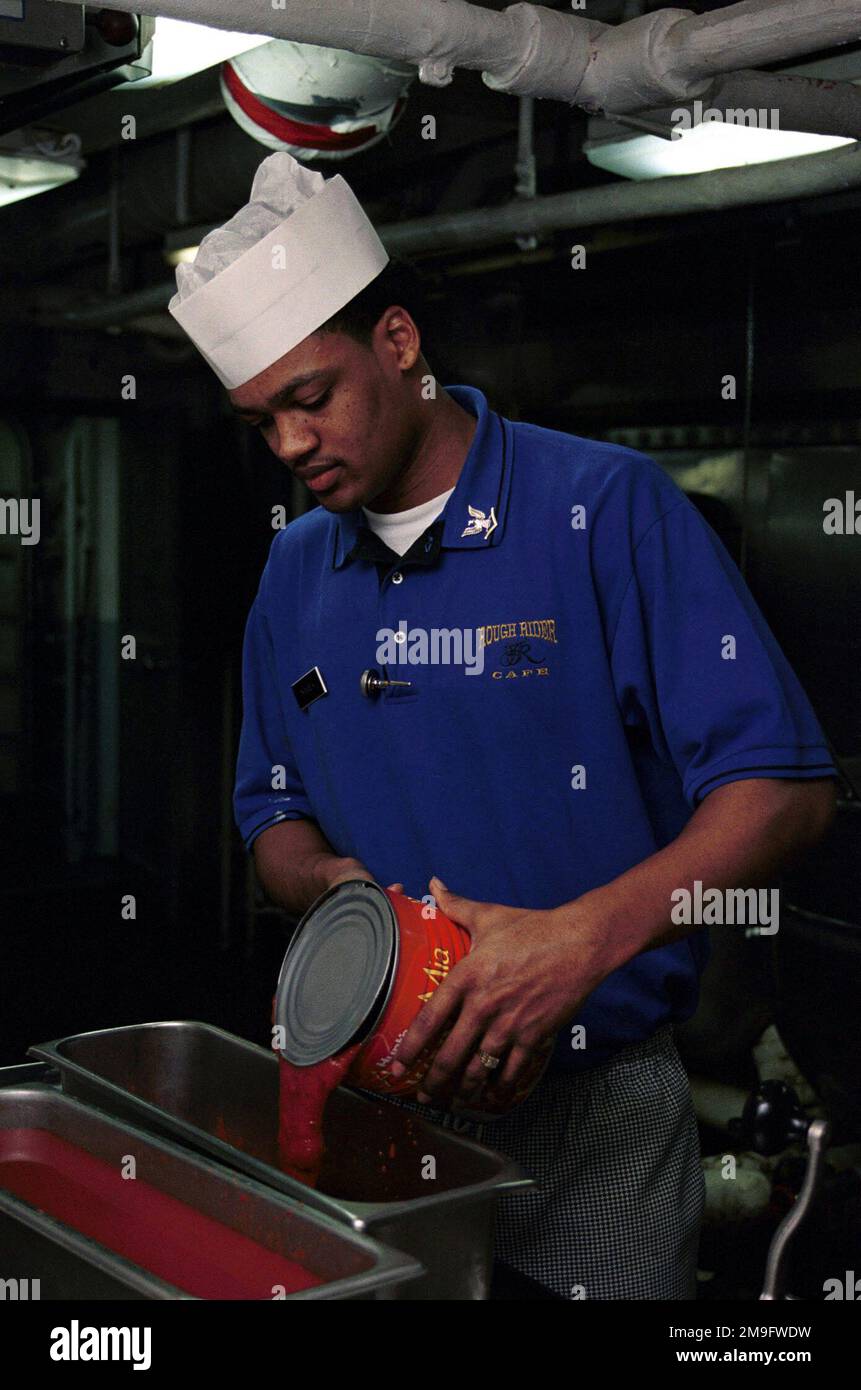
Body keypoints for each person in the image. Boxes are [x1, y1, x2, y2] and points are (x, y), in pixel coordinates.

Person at [170, 151, 837, 1300]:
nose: (287, 445)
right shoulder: (291, 571)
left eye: (309, 397)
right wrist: (336, 889)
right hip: (371, 1099)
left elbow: (783, 791)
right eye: (259, 417)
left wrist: (578, 941)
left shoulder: (604, 510)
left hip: (594, 1120)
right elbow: (271, 812)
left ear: (396, 342)